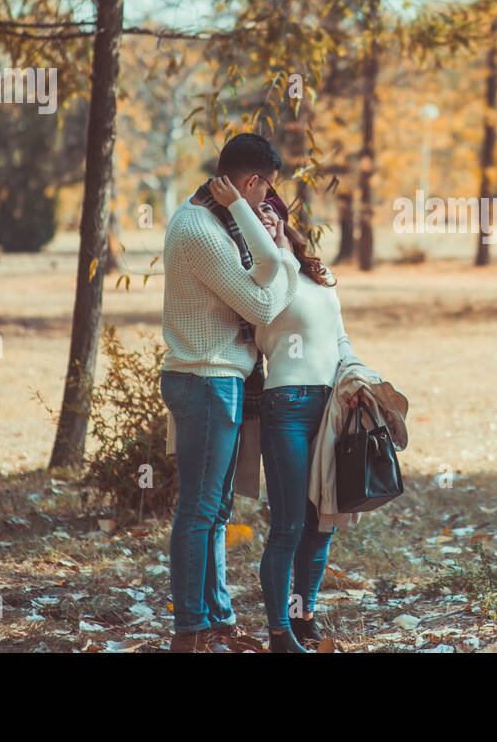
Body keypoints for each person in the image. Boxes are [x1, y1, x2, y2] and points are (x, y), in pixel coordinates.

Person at [209, 184, 364, 652]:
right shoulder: (262, 279)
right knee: (290, 524)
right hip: (287, 407)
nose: (268, 220)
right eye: (256, 218)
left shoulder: (320, 276)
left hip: (331, 406)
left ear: (285, 218)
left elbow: (339, 338)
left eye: (272, 213)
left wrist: (355, 376)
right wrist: (274, 250)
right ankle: (279, 632)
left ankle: (303, 616)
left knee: (323, 523)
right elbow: (276, 296)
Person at [159, 133, 298, 653]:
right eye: (267, 190)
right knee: (198, 509)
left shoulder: (215, 220)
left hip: (218, 379)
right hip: (206, 381)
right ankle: (190, 630)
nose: (268, 201)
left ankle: (216, 616)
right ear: (251, 182)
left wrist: (263, 240)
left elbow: (252, 284)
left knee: (215, 510)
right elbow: (264, 307)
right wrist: (283, 255)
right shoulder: (201, 231)